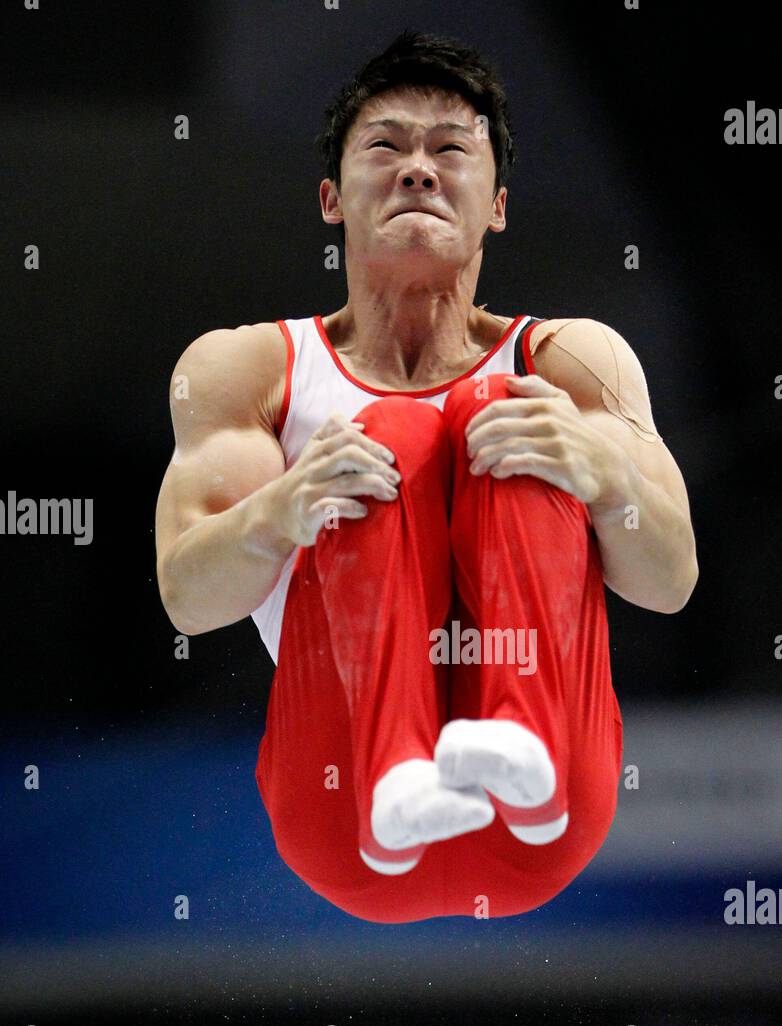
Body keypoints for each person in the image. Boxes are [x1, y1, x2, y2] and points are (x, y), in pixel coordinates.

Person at [154, 31, 697, 924]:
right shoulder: (247, 370)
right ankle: (398, 762)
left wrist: (600, 473)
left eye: (450, 150)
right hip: (345, 803)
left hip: (551, 800)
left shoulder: (570, 359)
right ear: (331, 198)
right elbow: (189, 598)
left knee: (516, 422)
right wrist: (283, 508)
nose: (417, 170)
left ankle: (516, 739)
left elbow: (669, 582)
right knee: (385, 433)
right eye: (385, 148)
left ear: (498, 207)